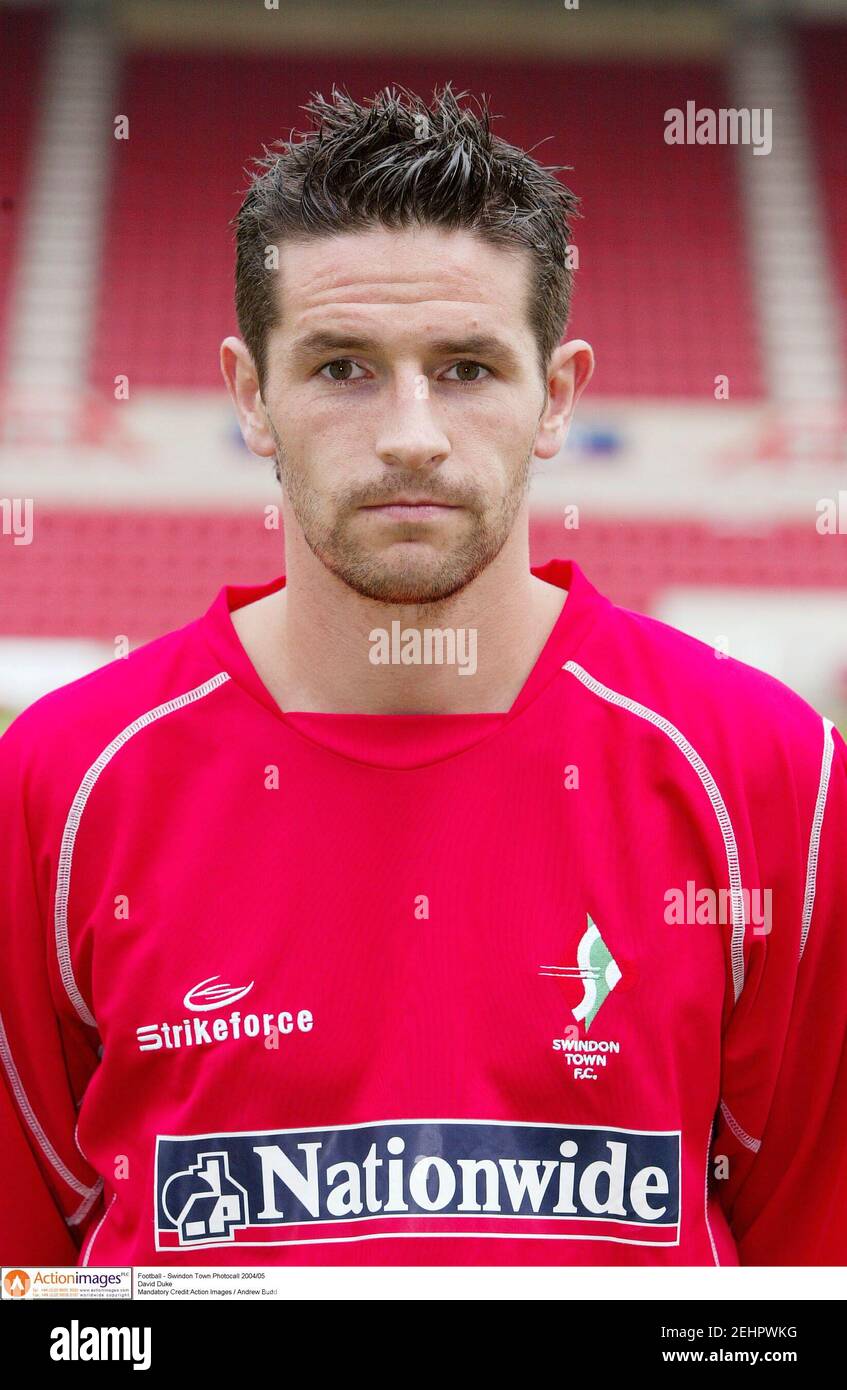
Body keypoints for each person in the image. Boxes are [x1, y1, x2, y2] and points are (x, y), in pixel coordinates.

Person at [1, 84, 844, 1268]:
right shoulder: (60, 783)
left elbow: (806, 1263)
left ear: (555, 394)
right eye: (343, 366)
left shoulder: (765, 775)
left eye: (466, 369)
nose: (409, 434)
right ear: (251, 393)